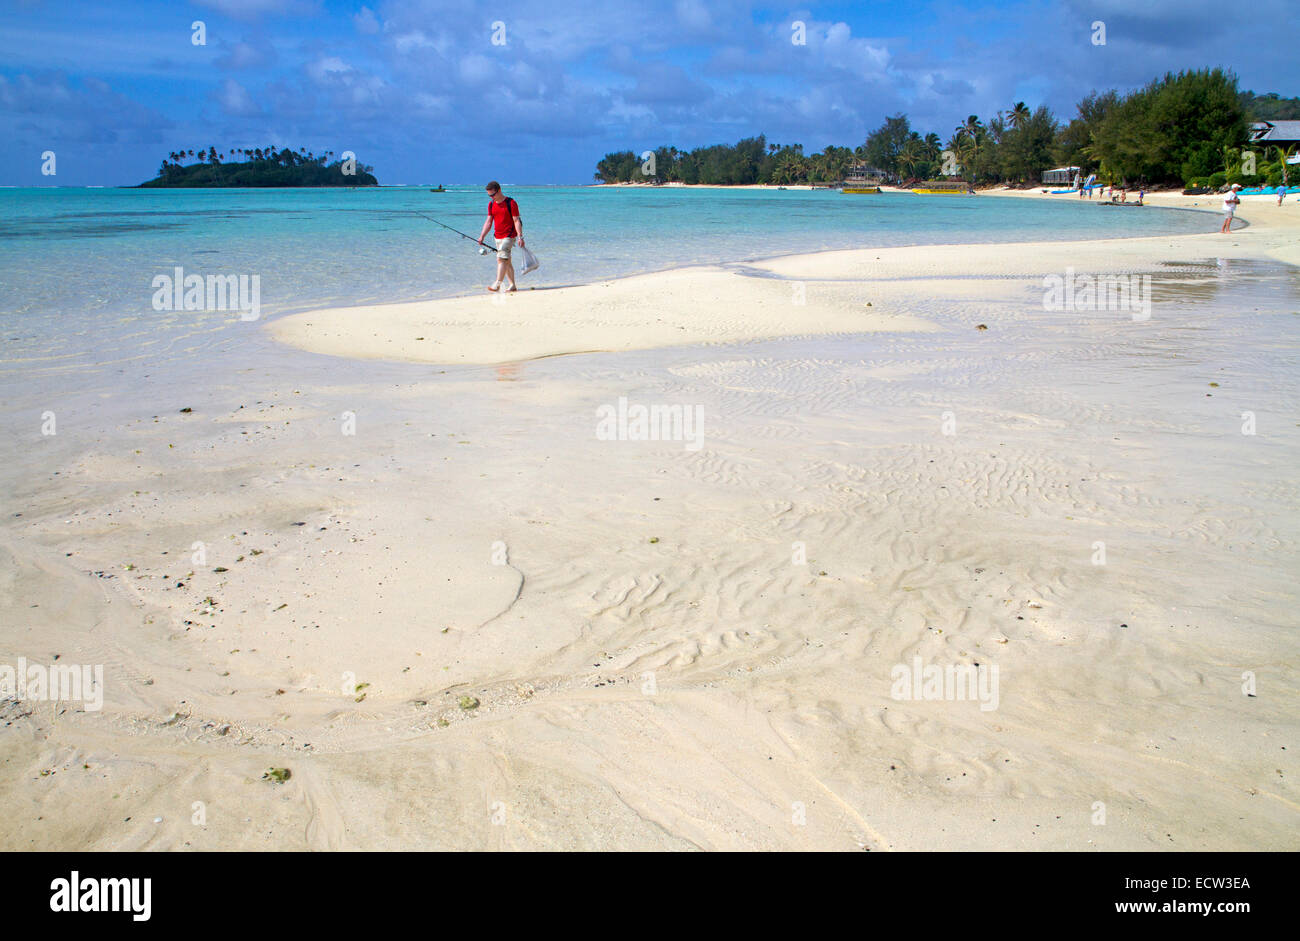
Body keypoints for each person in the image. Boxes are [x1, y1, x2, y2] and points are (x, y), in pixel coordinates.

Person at [477, 181, 525, 292]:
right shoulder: (491, 204)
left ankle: (497, 284)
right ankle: (512, 285)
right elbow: (489, 222)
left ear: (499, 190)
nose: (491, 197)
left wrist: (520, 237)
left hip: (509, 235)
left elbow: (516, 220)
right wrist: (482, 236)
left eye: (493, 195)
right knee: (506, 261)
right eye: (489, 195)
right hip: (497, 236)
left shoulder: (511, 203)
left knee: (501, 259)